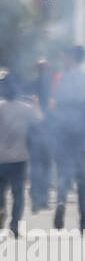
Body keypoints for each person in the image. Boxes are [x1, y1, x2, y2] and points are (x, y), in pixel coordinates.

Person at [49, 45, 85, 231]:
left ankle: (61, 202)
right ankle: (84, 219)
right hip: (83, 132)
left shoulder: (59, 79)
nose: (62, 61)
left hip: (63, 131)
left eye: (64, 58)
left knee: (63, 173)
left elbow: (53, 106)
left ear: (70, 59)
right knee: (82, 179)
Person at [0, 69, 42, 236]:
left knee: (0, 191)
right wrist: (37, 105)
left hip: (0, 158)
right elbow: (38, 126)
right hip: (20, 157)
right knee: (18, 193)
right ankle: (15, 224)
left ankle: (1, 210)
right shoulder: (27, 108)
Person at [25, 59, 54, 211]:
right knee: (38, 166)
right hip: (35, 132)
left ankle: (42, 198)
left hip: (48, 132)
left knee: (45, 166)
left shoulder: (51, 87)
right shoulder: (33, 86)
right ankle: (38, 196)